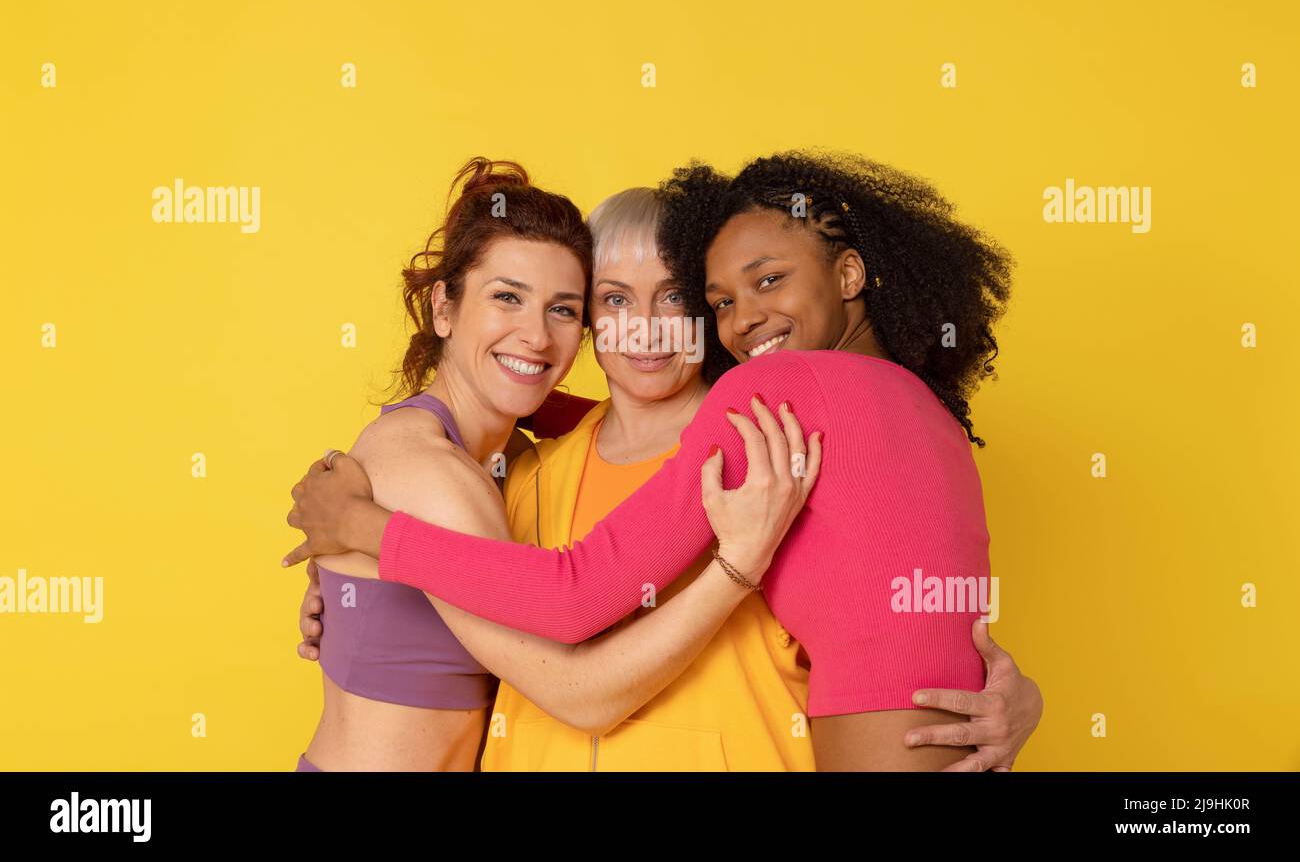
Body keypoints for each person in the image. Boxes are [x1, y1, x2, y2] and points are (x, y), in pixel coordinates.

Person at [286, 151, 1042, 770]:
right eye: (613, 301)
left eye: (679, 298)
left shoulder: (769, 419)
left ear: (848, 276)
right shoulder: (917, 409)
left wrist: (362, 526)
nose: (744, 317)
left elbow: (575, 600)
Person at [296, 157, 820, 771]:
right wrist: (738, 566)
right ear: (444, 309)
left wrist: (355, 543)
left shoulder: (514, 460)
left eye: (562, 309)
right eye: (506, 298)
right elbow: (578, 683)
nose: (536, 337)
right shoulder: (447, 474)